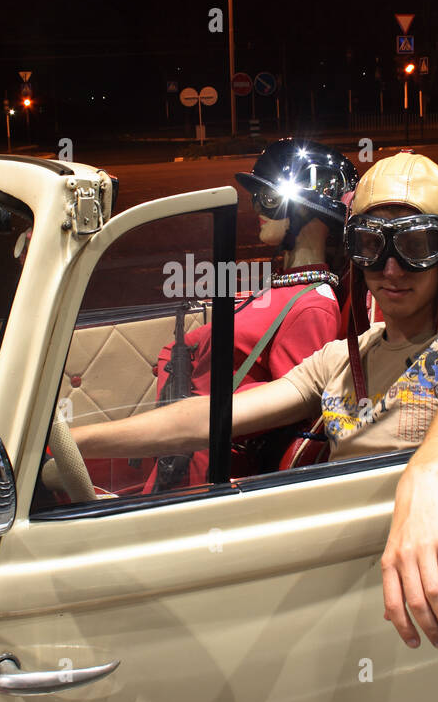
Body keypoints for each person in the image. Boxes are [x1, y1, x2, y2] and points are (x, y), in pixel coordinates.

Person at [72, 152, 438, 650]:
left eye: (415, 244)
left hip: (417, 552)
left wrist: (426, 476)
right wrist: (75, 442)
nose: (391, 268)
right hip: (333, 549)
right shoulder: (343, 356)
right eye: (370, 245)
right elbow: (214, 417)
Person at [150, 139, 358, 489]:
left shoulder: (312, 305)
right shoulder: (282, 287)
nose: (256, 207)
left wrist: (193, 416)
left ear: (308, 209)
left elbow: (291, 419)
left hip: (211, 476)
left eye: (269, 198)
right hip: (186, 453)